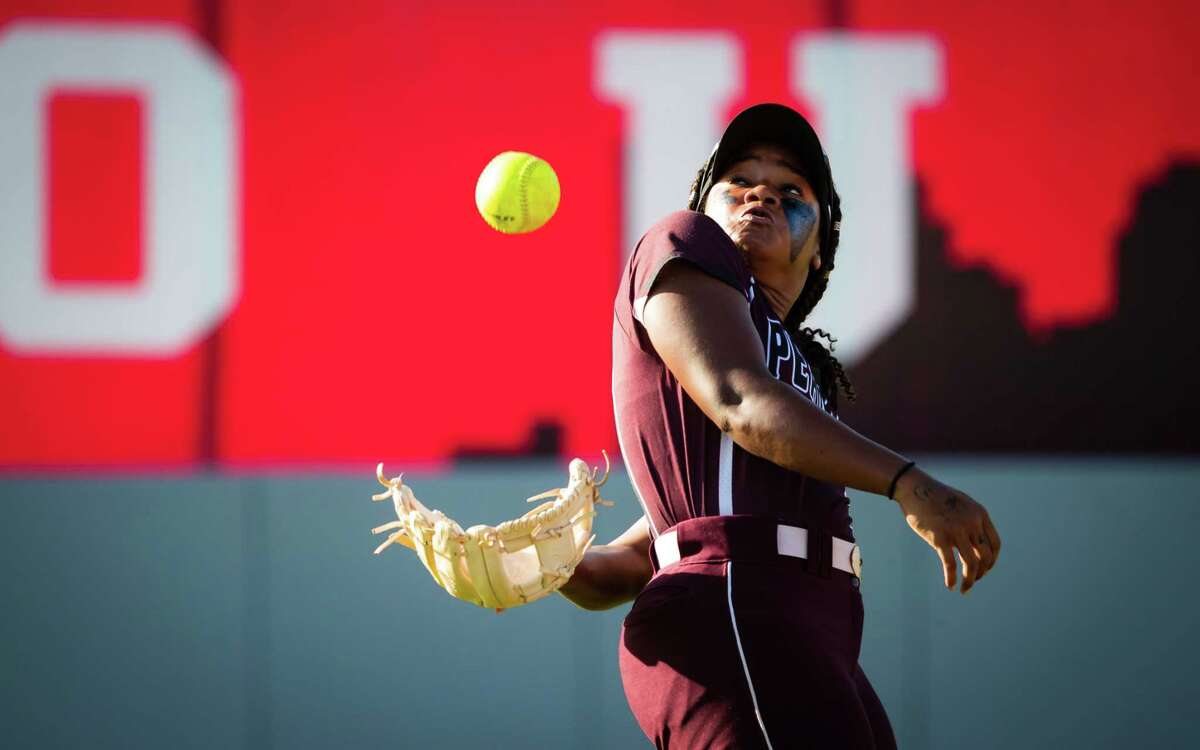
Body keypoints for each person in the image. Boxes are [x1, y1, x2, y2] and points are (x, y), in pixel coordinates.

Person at [558, 103, 1001, 749]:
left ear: (820, 252)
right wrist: (909, 482)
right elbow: (739, 402)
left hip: (806, 626)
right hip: (732, 608)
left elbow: (644, 554)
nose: (760, 193)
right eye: (738, 180)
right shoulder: (682, 241)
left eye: (790, 192)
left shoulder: (794, 362)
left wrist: (555, 564)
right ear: (704, 212)